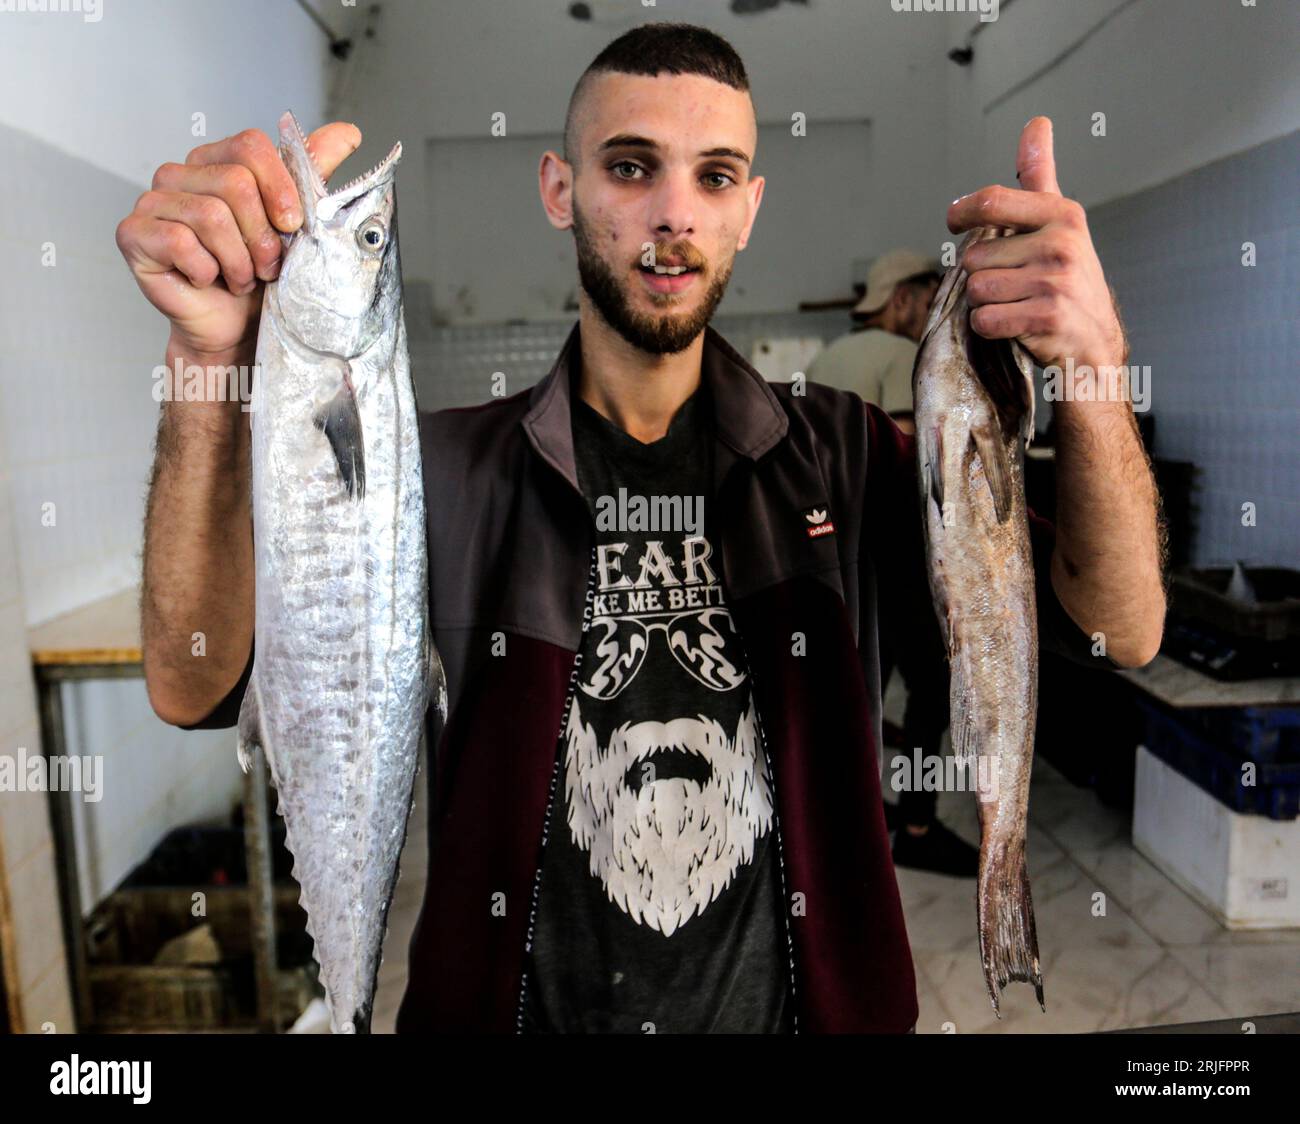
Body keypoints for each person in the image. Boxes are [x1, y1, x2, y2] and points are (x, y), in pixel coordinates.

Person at [117, 23, 1166, 1033]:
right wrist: (202, 360)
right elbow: (194, 679)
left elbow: (1119, 629)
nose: (673, 213)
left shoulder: (844, 454)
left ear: (748, 207)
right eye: (628, 166)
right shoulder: (441, 469)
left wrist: (1096, 370)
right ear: (559, 190)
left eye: (713, 176)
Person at [810, 254, 977, 876]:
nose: (932, 309)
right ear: (902, 298)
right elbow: (907, 462)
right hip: (894, 548)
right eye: (927, 296)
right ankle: (916, 825)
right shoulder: (898, 355)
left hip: (834, 551)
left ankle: (844, 820)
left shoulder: (831, 357)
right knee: (931, 688)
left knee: (858, 690)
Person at [806, 249, 940, 431]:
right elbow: (902, 442)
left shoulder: (823, 358)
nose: (934, 317)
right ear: (902, 298)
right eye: (930, 305)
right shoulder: (904, 352)